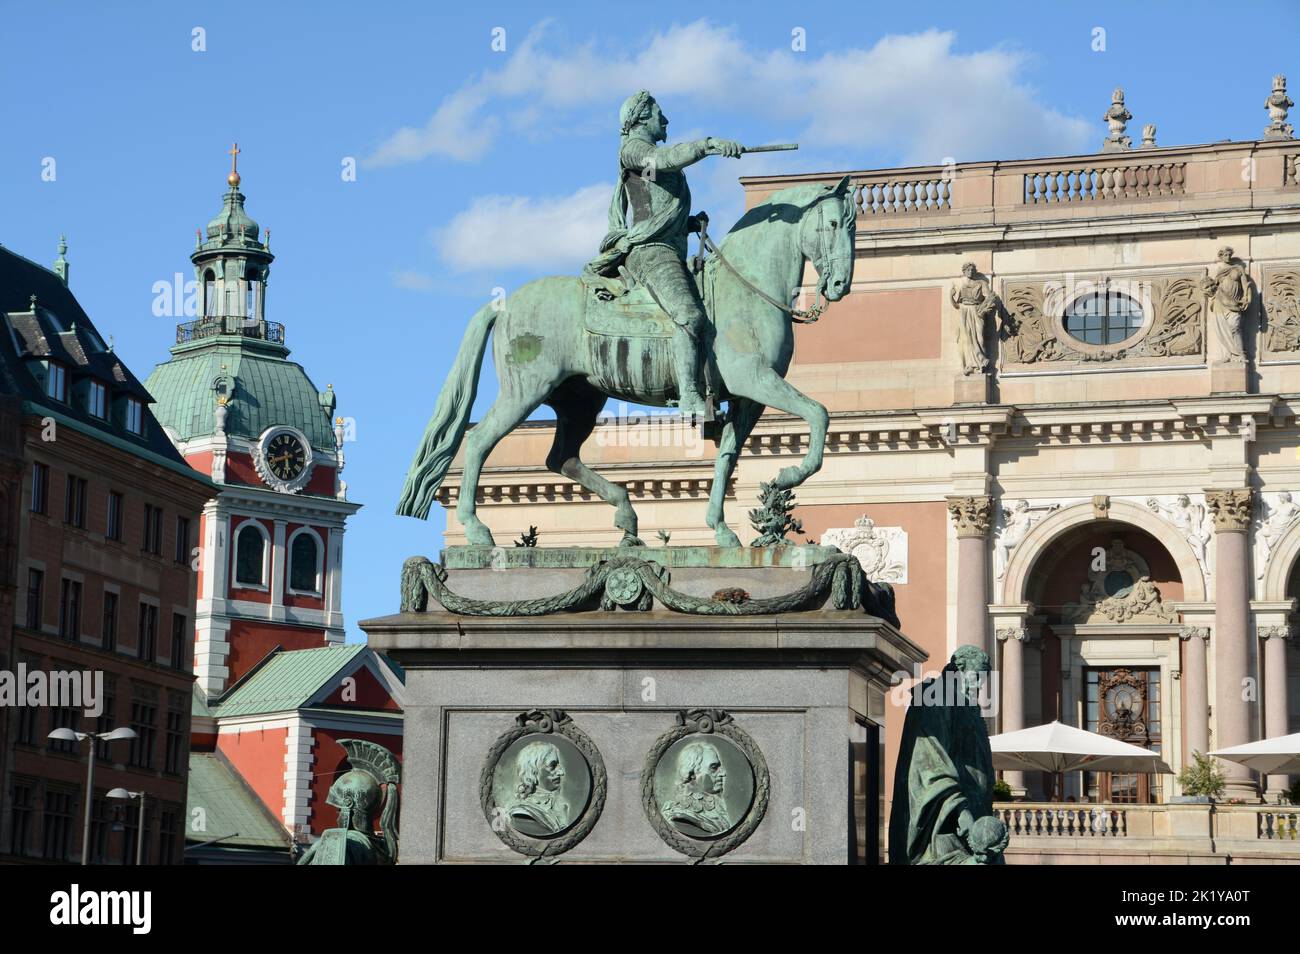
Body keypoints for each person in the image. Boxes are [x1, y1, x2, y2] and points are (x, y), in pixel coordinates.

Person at [586, 91, 743, 419]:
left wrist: (685, 224)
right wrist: (709, 144)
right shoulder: (634, 151)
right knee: (689, 315)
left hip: (668, 248)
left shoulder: (647, 156)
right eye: (660, 113)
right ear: (642, 118)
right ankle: (688, 396)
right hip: (651, 254)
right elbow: (664, 161)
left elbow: (655, 207)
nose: (666, 120)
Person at [889, 645, 1007, 864]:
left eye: (984, 678)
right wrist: (963, 817)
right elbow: (932, 766)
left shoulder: (964, 704)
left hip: (971, 816)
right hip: (944, 825)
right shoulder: (938, 698)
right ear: (958, 669)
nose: (980, 684)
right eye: (977, 675)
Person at [660, 740, 732, 836]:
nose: (723, 773)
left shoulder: (716, 809)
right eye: (714, 767)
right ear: (692, 773)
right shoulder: (680, 816)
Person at [506, 741, 572, 836]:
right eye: (552, 766)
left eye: (558, 765)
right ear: (532, 772)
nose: (561, 772)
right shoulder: (521, 813)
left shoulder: (561, 806)